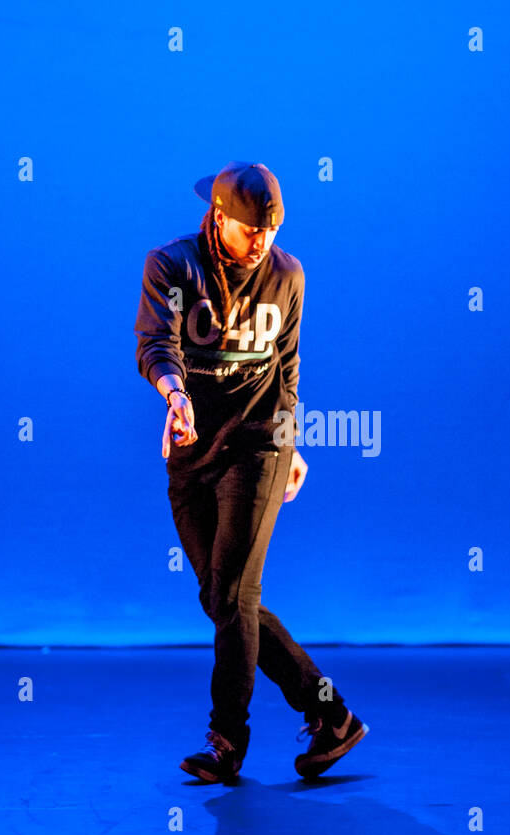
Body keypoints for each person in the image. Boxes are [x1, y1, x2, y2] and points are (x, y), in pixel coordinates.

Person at [134, 161, 368, 783]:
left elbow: (287, 370)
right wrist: (175, 396)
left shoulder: (287, 275)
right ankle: (331, 714)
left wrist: (291, 447)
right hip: (191, 453)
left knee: (235, 593)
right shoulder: (174, 267)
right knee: (223, 599)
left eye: (271, 230)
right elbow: (157, 344)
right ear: (217, 217)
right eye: (248, 231)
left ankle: (226, 741)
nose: (261, 242)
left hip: (258, 449)